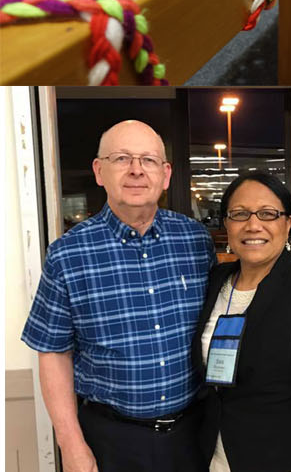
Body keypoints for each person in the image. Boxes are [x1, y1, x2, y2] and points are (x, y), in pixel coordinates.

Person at [23, 120, 214, 472]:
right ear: (99, 170)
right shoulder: (68, 254)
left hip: (193, 434)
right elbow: (52, 352)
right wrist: (71, 444)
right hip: (111, 440)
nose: (137, 170)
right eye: (122, 158)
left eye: (148, 160)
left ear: (166, 174)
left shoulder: (196, 242)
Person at [194, 171, 291, 472]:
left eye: (267, 214)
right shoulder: (216, 281)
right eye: (239, 214)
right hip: (213, 457)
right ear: (226, 223)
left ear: (287, 223)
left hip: (279, 460)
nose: (253, 225)